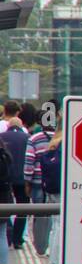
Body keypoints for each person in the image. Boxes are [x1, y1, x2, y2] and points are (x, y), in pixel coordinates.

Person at [20, 104, 49, 255]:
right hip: (56, 184)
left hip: (38, 182)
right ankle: (49, 241)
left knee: (38, 213)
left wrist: (27, 182)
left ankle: (40, 246)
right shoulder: (65, 138)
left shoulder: (34, 138)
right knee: (53, 214)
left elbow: (29, 162)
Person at [0, 109, 29, 250]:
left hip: (6, 179)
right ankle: (18, 239)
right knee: (22, 207)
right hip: (23, 179)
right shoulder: (27, 138)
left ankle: (8, 235)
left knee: (5, 208)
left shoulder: (2, 136)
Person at [38, 126, 64, 264]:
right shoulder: (66, 148)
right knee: (61, 227)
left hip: (51, 191)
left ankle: (53, 262)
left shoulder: (51, 148)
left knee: (55, 227)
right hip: (62, 191)